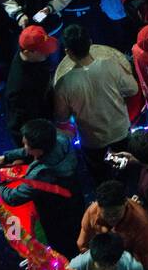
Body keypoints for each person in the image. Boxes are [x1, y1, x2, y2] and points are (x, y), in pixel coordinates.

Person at [53, 23, 139, 177]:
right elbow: (133, 89)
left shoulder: (63, 84)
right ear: (90, 43)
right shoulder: (112, 64)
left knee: (101, 176)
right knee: (124, 171)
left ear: (67, 52)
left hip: (92, 141)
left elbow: (62, 117)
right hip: (119, 132)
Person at [0, 120, 86, 259]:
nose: (24, 147)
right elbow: (29, 151)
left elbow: (13, 197)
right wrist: (5, 157)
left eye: (26, 144)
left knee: (63, 249)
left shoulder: (42, 174)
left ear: (39, 149)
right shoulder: (61, 140)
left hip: (56, 215)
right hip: (75, 199)